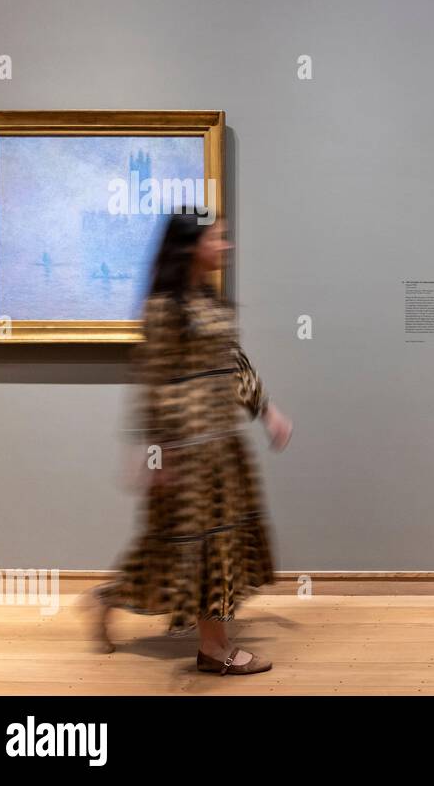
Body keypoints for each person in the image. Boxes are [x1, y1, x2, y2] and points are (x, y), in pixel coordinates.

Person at [92, 213, 293, 675]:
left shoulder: (211, 301)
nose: (226, 246)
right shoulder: (164, 309)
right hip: (185, 451)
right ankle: (214, 649)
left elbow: (234, 365)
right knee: (204, 548)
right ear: (189, 247)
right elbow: (153, 382)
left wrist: (268, 412)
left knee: (178, 547)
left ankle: (107, 598)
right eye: (217, 238)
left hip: (222, 448)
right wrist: (156, 454)